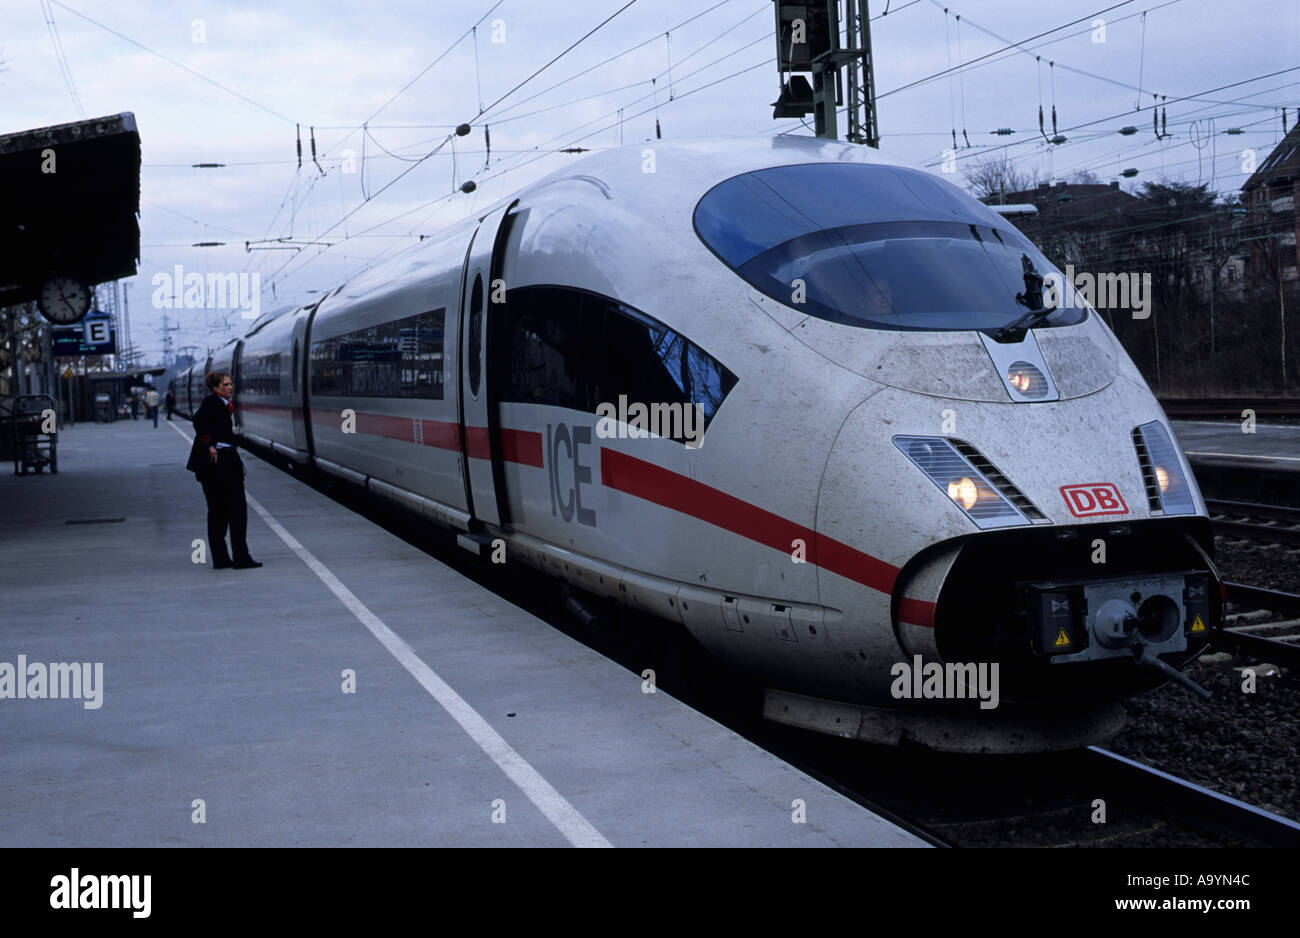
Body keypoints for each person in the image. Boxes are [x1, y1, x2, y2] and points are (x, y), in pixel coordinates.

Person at [185, 372, 262, 570]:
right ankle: (241, 557)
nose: (230, 387)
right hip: (218, 466)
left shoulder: (219, 404)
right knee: (236, 511)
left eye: (231, 383)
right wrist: (210, 445)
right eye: (226, 384)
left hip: (213, 466)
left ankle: (221, 558)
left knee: (218, 512)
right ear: (216, 387)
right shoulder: (213, 403)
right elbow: (198, 422)